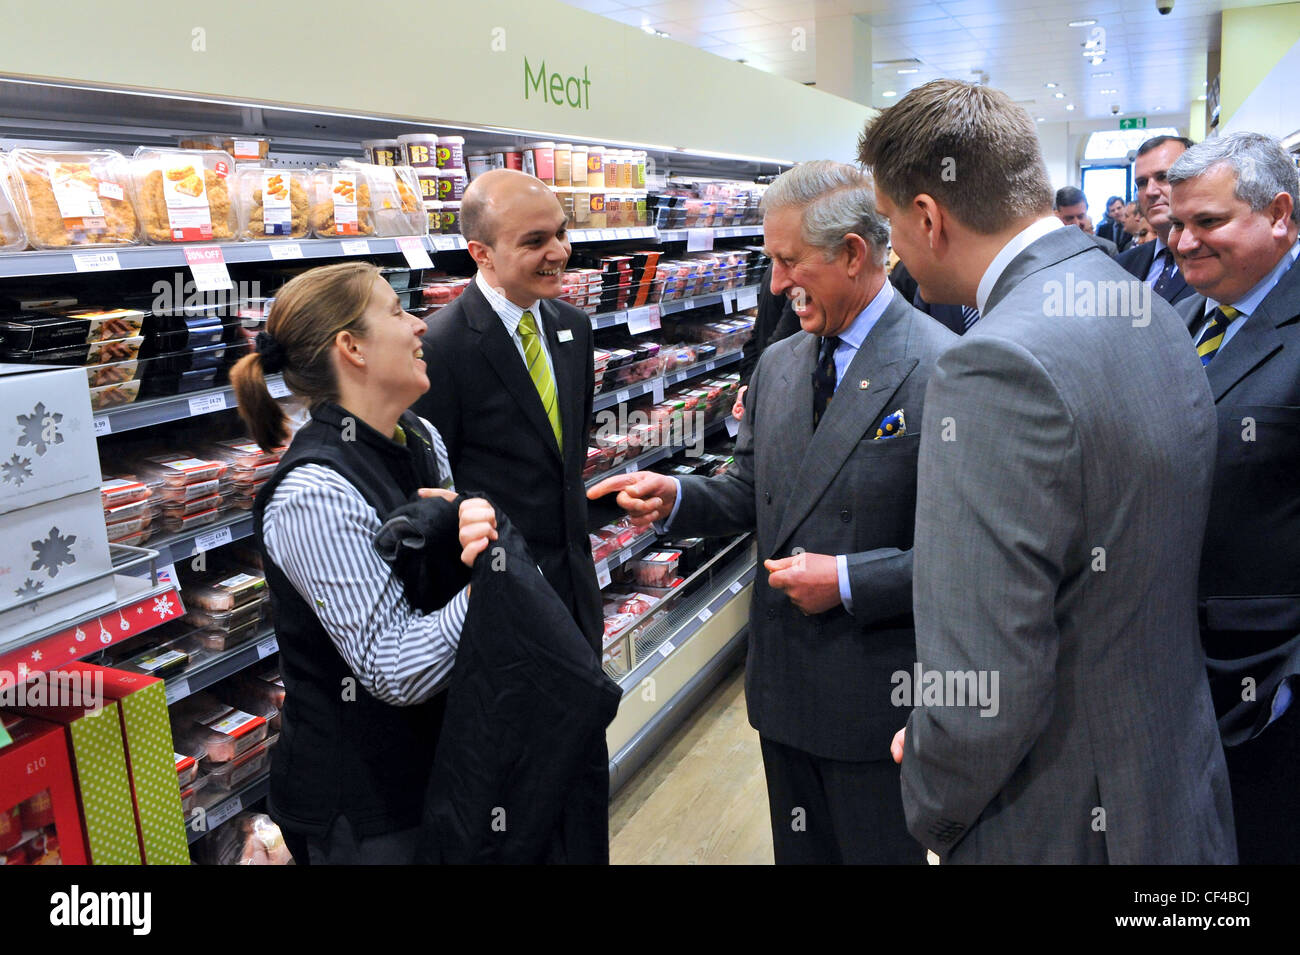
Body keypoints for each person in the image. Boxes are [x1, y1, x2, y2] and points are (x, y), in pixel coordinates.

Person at [858, 78, 1236, 864]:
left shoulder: (993, 363)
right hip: (1171, 785)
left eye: (894, 227)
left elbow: (985, 675)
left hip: (1058, 816)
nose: (897, 251)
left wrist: (932, 798)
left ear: (929, 217)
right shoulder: (1148, 305)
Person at [591, 160, 956, 864]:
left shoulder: (944, 368)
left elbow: (966, 559)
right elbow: (756, 490)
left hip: (877, 701)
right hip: (784, 690)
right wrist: (678, 498)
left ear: (853, 254)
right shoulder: (781, 365)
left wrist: (849, 578)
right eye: (770, 262)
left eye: (789, 263)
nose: (777, 285)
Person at [230, 262, 497, 864]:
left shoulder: (420, 435)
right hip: (362, 808)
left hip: (434, 769)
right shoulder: (315, 493)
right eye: (398, 312)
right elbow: (393, 668)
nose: (421, 325)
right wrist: (495, 588)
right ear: (350, 347)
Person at [1166, 132, 1300, 864]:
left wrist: (1288, 682)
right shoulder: (1186, 322)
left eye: (1207, 222)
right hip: (1185, 683)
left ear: (1279, 213)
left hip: (1271, 693)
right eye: (1175, 225)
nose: (1183, 242)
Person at [413, 168, 602, 647]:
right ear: (482, 254)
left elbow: (570, 460)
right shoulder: (440, 347)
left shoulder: (573, 325)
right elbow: (434, 490)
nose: (558, 252)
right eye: (535, 241)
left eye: (561, 232)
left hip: (577, 583)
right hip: (501, 593)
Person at [1116, 135, 1198, 304]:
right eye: (1142, 183)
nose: (1150, 191)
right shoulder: (1122, 265)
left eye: (1163, 177)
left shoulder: (1218, 260)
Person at [733, 260, 800, 420]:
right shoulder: (777, 269)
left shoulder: (794, 276)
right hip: (773, 388)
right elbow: (760, 330)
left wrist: (750, 385)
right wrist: (747, 384)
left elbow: (783, 335)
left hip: (773, 387)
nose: (776, 286)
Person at [1054, 186, 1117, 255]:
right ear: (1057, 215)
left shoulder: (1108, 249)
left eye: (1080, 216)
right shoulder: (1047, 249)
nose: (1076, 224)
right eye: (1069, 218)